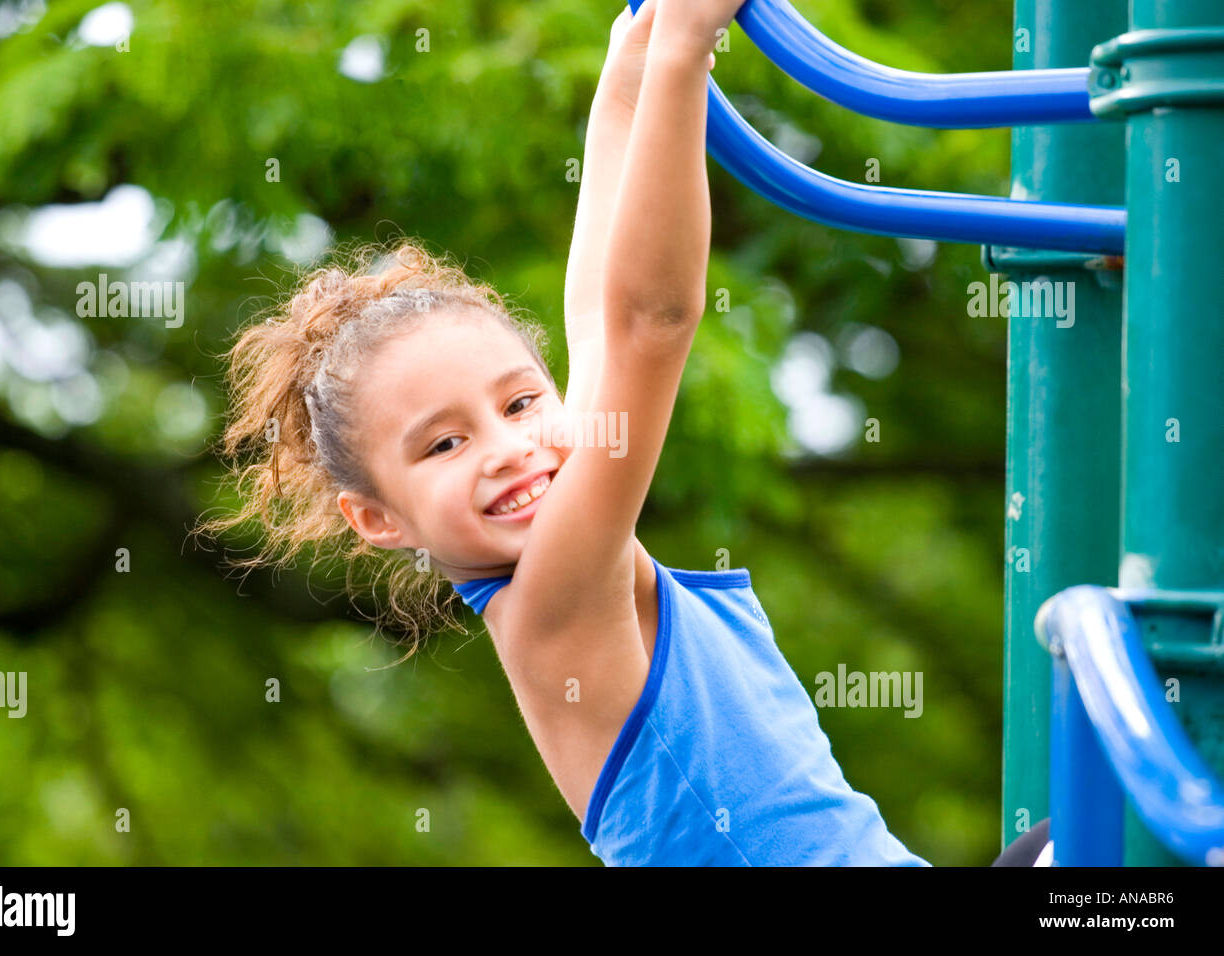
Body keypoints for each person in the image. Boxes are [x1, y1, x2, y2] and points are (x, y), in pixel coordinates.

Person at [206, 0, 928, 865]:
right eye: (444, 445)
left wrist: (628, 71)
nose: (510, 446)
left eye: (518, 404)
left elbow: (595, 313)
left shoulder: (564, 517)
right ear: (379, 519)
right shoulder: (555, 599)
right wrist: (688, 48)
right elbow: (648, 322)